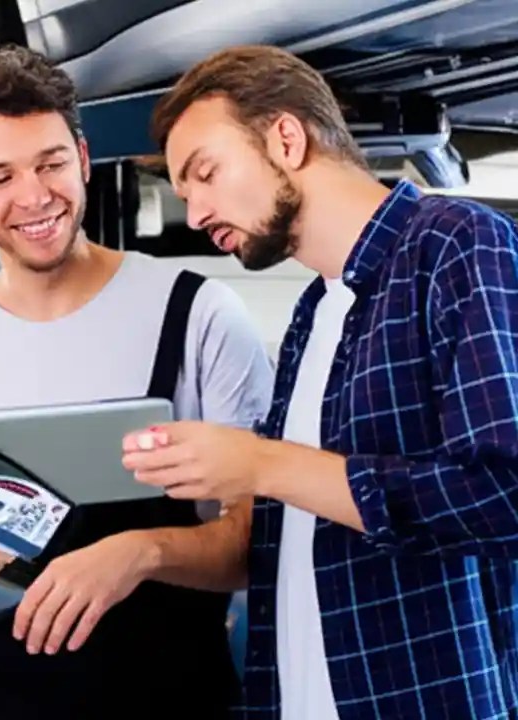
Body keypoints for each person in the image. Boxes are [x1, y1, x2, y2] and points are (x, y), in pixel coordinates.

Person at [0, 44, 275, 719]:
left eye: (51, 164)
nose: (34, 196)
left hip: (180, 700)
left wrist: (139, 553)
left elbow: (255, 545)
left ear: (83, 163)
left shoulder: (196, 315)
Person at [123, 44, 518, 720]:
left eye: (206, 173)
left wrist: (261, 463)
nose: (196, 214)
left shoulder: (457, 244)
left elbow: (503, 494)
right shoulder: (314, 312)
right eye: (186, 192)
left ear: (285, 137)